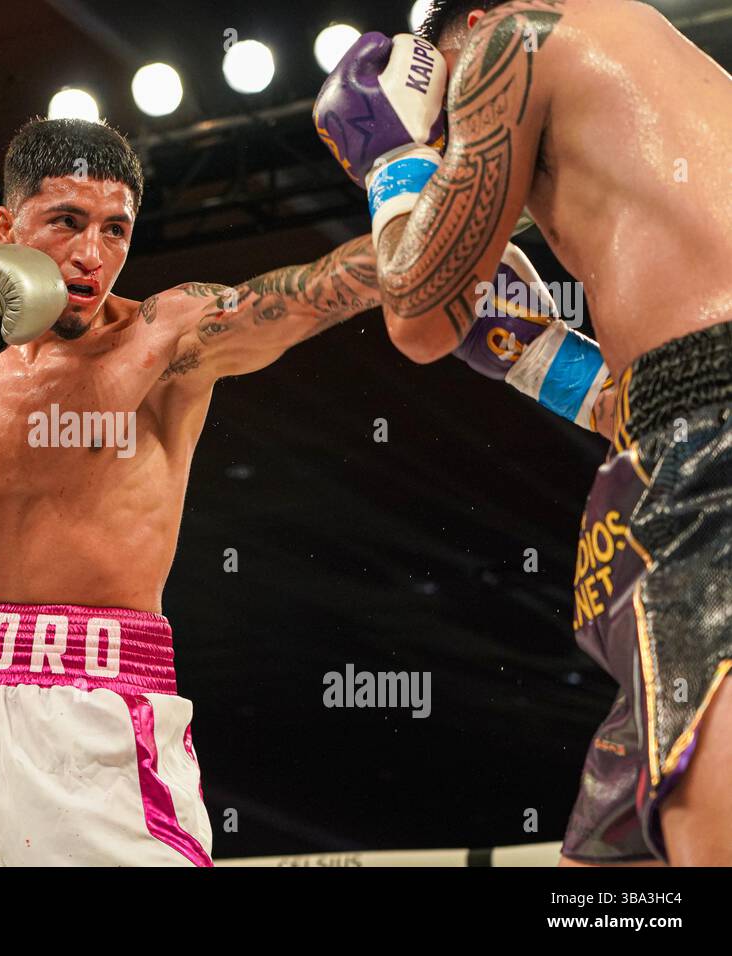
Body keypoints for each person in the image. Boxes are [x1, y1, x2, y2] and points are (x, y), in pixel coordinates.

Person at [0, 116, 607, 867]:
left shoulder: (164, 336)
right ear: (7, 226)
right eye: (66, 221)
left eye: (115, 229)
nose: (90, 253)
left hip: (101, 720)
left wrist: (426, 251)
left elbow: (303, 295)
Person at [313, 0, 732, 865]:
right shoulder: (655, 65)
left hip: (708, 449)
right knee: (607, 870)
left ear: (461, 29)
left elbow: (419, 314)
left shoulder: (516, 39)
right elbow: (664, 368)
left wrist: (393, 155)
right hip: (680, 429)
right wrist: (543, 360)